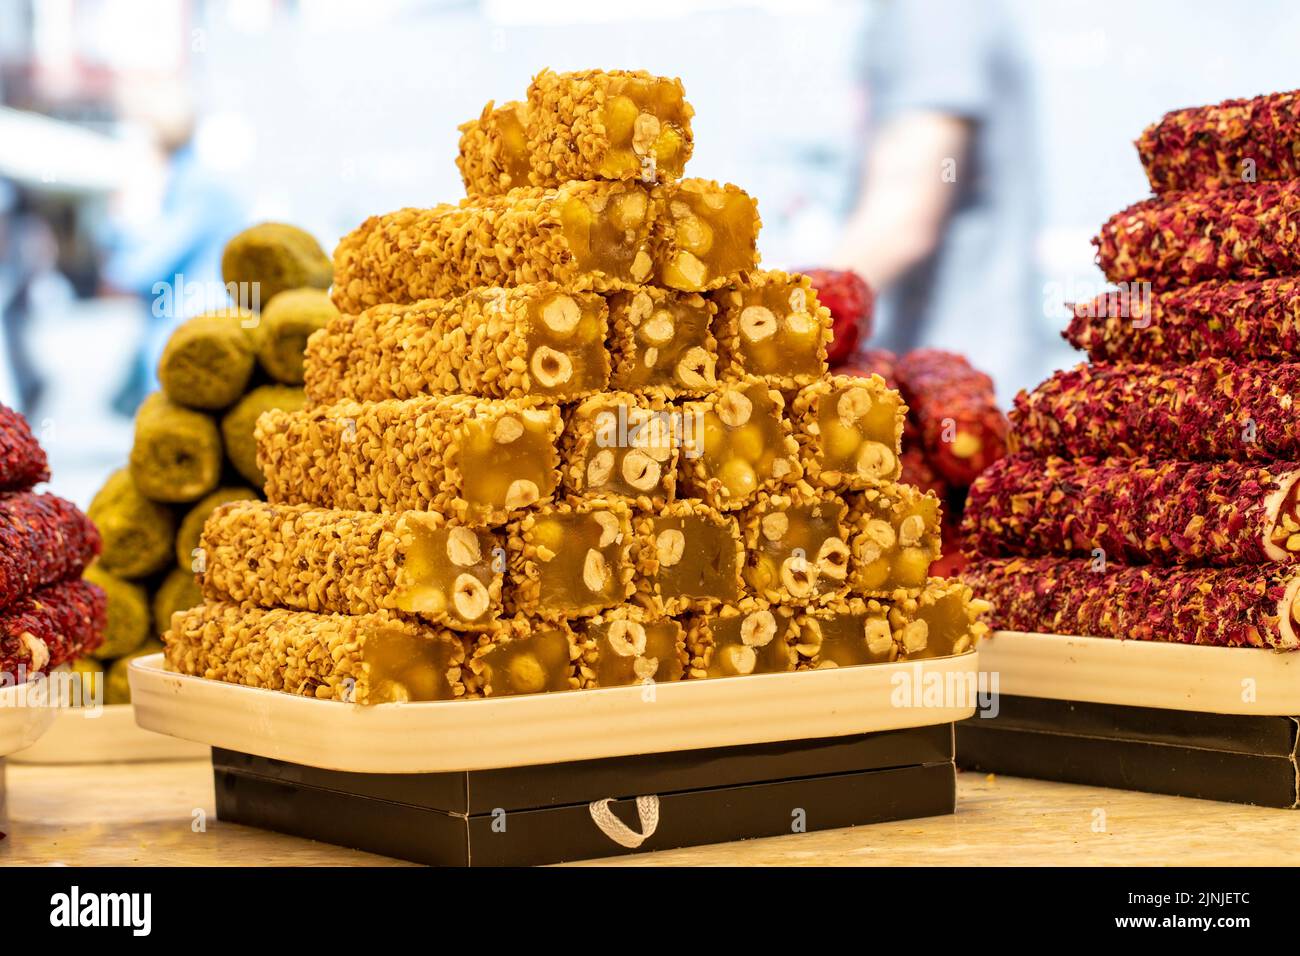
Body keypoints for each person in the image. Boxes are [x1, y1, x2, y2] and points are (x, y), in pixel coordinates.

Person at [834, 0, 1048, 404]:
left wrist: (776, 331)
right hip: (951, 401)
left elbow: (906, 210)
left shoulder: (934, 10)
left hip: (956, 419)